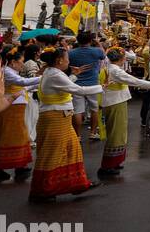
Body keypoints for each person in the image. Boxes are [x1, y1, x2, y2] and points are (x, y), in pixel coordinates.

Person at [29, 46, 104, 200]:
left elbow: (64, 87)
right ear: (59, 60)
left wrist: (74, 75)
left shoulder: (52, 72)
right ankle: (42, 190)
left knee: (72, 148)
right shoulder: (55, 74)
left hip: (59, 117)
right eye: (67, 59)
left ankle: (76, 183)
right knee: (52, 154)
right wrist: (101, 87)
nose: (69, 62)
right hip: (55, 118)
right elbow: (78, 90)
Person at [97, 46, 150, 179]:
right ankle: (108, 165)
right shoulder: (115, 71)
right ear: (121, 59)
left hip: (116, 102)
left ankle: (114, 162)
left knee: (119, 133)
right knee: (116, 134)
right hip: (115, 103)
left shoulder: (110, 68)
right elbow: (135, 81)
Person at [0, 44, 39, 183]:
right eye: (21, 62)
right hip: (8, 109)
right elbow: (22, 82)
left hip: (15, 109)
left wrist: (39, 83)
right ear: (12, 62)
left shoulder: (10, 71)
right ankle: (0, 168)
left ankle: (19, 166)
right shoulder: (6, 71)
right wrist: (42, 78)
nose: (22, 64)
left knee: (20, 137)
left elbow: (24, 86)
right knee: (7, 137)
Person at [67, 30, 105, 140]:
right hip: (93, 84)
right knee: (95, 109)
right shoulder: (96, 51)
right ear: (90, 40)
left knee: (78, 111)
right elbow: (103, 54)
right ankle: (93, 133)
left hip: (76, 84)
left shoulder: (71, 53)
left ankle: (77, 135)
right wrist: (97, 43)